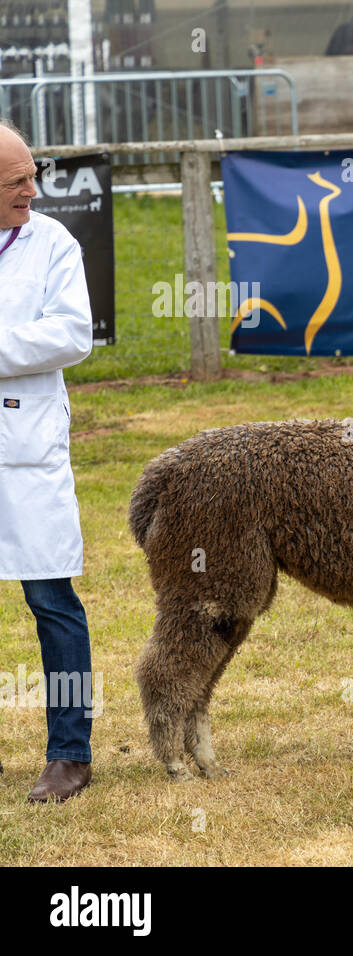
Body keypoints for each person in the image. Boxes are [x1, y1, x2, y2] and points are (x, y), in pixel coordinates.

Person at [0, 120, 95, 800]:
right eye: (16, 183)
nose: (34, 190)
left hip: (27, 447)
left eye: (33, 175)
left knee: (50, 597)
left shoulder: (52, 243)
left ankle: (70, 753)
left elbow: (71, 333)